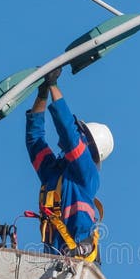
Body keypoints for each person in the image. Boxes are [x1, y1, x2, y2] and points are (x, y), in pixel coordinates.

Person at [25, 68, 114, 262]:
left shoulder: (86, 172)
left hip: (79, 263)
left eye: (81, 133)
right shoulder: (54, 174)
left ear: (88, 144)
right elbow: (35, 141)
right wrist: (42, 94)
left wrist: (54, 86)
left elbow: (68, 134)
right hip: (56, 262)